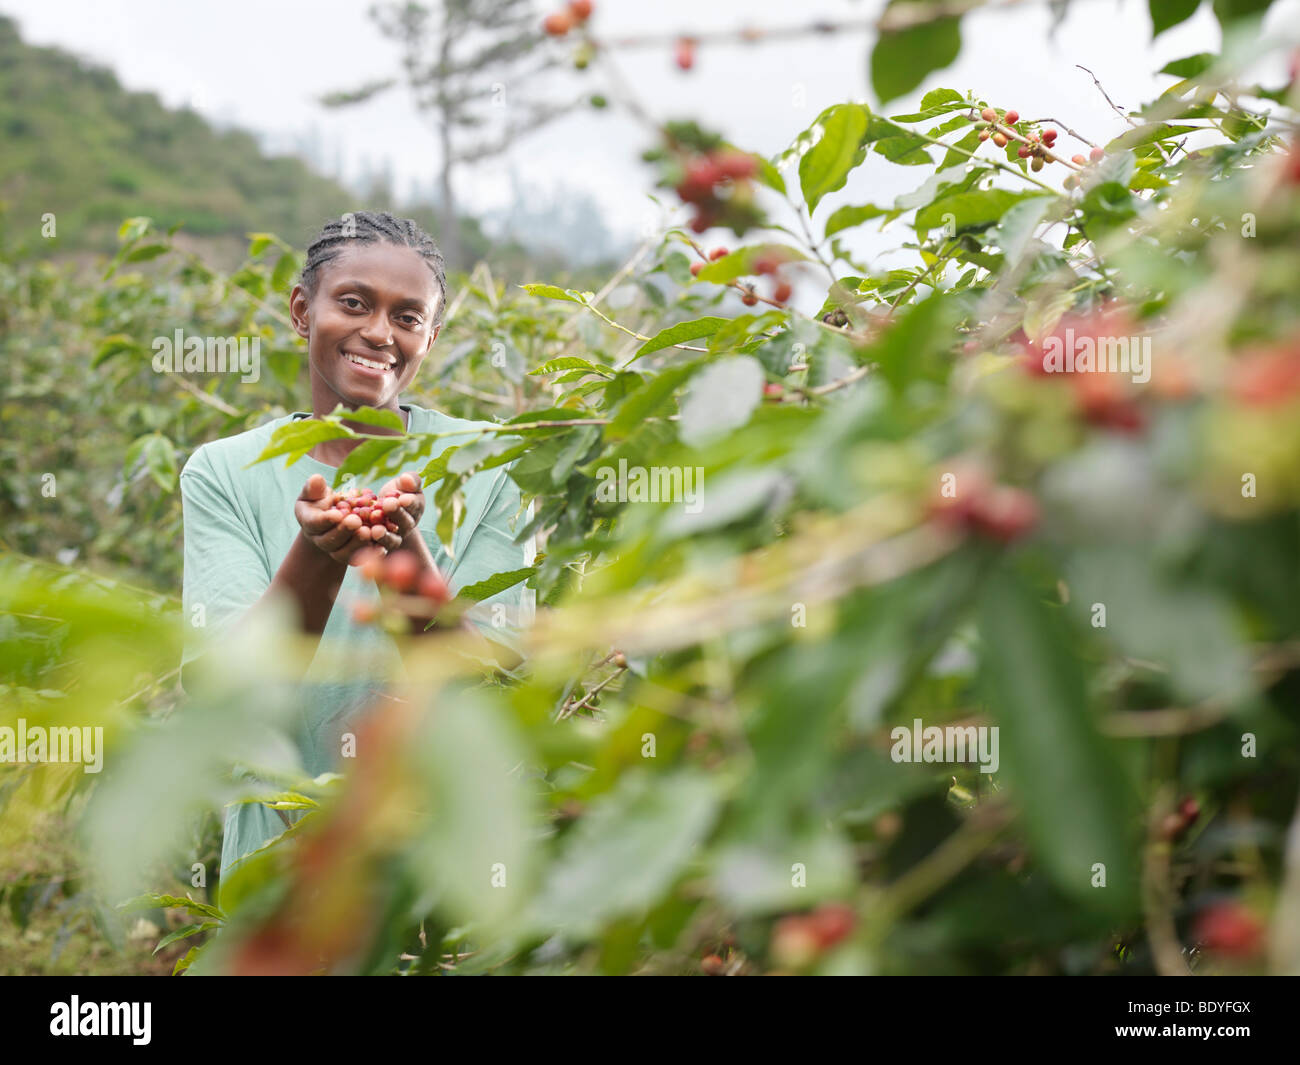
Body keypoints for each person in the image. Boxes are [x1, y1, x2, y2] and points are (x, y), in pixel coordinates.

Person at [178, 210, 533, 881]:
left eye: (408, 316)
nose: (379, 332)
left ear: (431, 337)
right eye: (353, 303)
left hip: (442, 865)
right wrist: (317, 553)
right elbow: (231, 686)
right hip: (279, 860)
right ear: (301, 310)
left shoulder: (494, 463)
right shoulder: (223, 471)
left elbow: (495, 681)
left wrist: (402, 558)